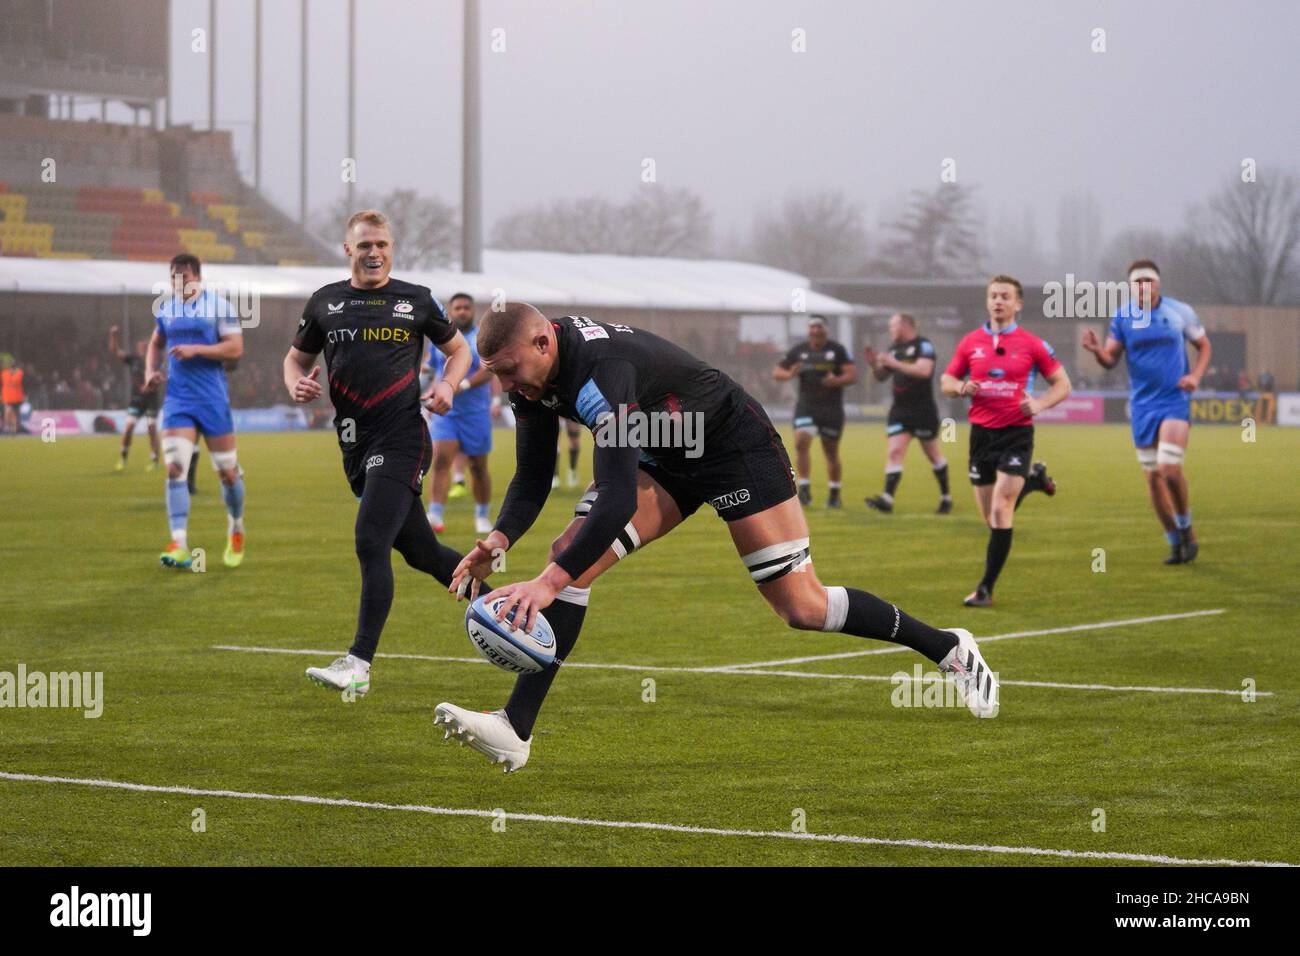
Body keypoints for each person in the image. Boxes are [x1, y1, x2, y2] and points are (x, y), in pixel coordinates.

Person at [433, 305, 1000, 773]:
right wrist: (500, 538)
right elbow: (533, 474)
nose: (503, 386)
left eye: (508, 371)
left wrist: (548, 585)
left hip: (733, 449)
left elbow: (617, 497)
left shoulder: (604, 373)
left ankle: (948, 646)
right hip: (667, 454)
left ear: (542, 343)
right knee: (570, 556)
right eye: (496, 373)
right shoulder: (530, 373)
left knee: (802, 607)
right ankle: (515, 729)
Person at [285, 210, 470, 697]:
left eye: (382, 244)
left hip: (403, 436)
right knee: (424, 553)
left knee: (371, 540)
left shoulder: (416, 301)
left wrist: (449, 385)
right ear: (348, 249)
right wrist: (296, 384)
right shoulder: (325, 303)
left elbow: (460, 351)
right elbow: (295, 358)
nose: (374, 252)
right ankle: (512, 615)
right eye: (364, 244)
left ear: (392, 249)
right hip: (354, 442)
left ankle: (358, 664)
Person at [941, 275, 1071, 607]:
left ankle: (985, 589)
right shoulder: (970, 342)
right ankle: (1035, 481)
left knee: (1001, 510)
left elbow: (1062, 384)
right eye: (994, 296)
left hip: (1017, 433)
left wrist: (1040, 404)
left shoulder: (1032, 344)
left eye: (1005, 296)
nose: (999, 301)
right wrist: (960, 388)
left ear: (1018, 304)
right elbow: (947, 379)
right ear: (988, 301)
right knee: (991, 518)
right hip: (981, 436)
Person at [1082, 259, 1211, 564]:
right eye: (1137, 282)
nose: (1143, 286)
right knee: (1153, 479)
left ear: (1158, 284)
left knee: (1169, 469)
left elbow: (1204, 346)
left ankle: (1186, 527)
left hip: (1174, 399)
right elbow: (1111, 359)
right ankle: (1174, 542)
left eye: (1148, 281)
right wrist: (1098, 351)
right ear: (1130, 286)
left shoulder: (1181, 311)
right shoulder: (1123, 316)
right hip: (1142, 405)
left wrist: (1195, 377)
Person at [144, 254, 246, 570]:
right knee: (175, 468)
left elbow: (235, 349)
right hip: (178, 401)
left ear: (198, 277)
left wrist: (197, 350)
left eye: (184, 276)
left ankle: (236, 526)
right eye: (174, 276)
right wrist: (150, 371)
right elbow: (155, 343)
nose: (179, 282)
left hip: (213, 400)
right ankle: (180, 544)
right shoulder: (166, 309)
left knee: (228, 473)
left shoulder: (220, 307)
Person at [862, 313, 951, 514]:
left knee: (933, 454)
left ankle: (946, 496)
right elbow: (882, 376)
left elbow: (924, 371)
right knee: (895, 451)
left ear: (904, 326)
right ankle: (887, 499)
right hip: (900, 410)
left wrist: (894, 363)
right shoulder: (894, 349)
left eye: (893, 326)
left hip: (923, 410)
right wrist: (875, 365)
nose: (890, 330)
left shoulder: (924, 345)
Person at [425, 292, 495, 535]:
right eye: (458, 308)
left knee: (478, 467)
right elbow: (433, 370)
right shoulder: (440, 340)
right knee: (441, 460)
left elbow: (489, 371)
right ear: (450, 311)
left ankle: (482, 514)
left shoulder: (481, 339)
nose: (462, 311)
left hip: (476, 413)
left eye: (466, 307)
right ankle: (434, 513)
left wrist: (460, 385)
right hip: (448, 413)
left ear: (472, 311)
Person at [771, 315, 856, 508]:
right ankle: (805, 489)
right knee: (801, 443)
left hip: (831, 408)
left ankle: (834, 493)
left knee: (831, 451)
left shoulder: (838, 350)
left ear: (825, 329)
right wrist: (790, 373)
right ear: (809, 330)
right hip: (806, 406)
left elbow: (852, 375)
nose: (816, 331)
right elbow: (777, 373)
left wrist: (836, 381)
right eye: (812, 327)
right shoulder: (799, 351)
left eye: (819, 327)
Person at [109, 325, 160, 471]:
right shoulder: (134, 359)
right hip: (136, 400)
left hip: (151, 400)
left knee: (152, 428)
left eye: (145, 345)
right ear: (138, 347)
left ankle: (154, 460)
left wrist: (150, 386)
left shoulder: (155, 360)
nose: (142, 347)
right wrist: (113, 336)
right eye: (141, 345)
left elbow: (160, 378)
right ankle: (123, 458)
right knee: (129, 428)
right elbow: (115, 351)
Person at [1, 354, 24, 435]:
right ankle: (9, 427)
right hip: (7, 397)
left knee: (14, 414)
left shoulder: (19, 373)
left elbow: (16, 382)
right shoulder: (4, 373)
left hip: (17, 397)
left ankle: (13, 429)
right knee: (8, 412)